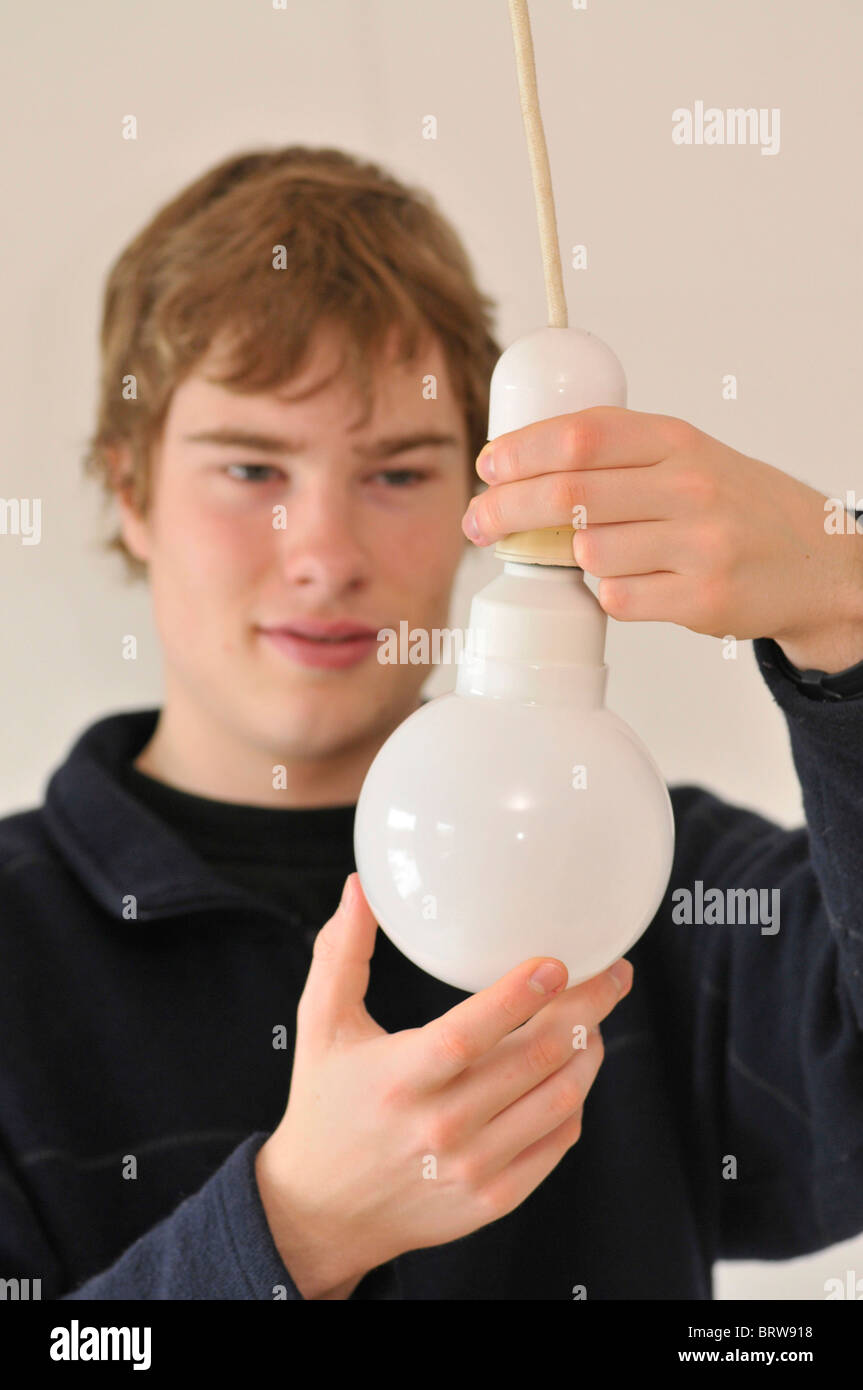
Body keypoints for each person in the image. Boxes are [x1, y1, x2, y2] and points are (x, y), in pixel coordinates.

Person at [1, 145, 862, 1302]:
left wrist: (844, 606)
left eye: (398, 473)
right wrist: (292, 1231)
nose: (323, 556)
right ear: (131, 489)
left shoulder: (639, 879)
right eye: (251, 466)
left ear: (484, 493)